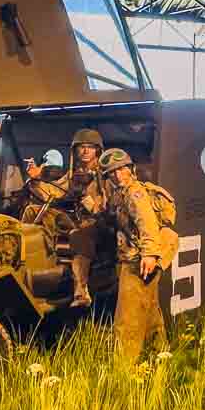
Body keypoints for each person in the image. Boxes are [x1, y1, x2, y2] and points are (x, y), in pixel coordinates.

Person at [98, 147, 169, 360]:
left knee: (127, 321)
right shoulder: (120, 195)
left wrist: (149, 254)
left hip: (138, 261)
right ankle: (161, 357)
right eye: (112, 173)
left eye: (122, 170)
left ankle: (123, 374)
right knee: (150, 314)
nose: (118, 175)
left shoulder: (134, 193)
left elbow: (146, 222)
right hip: (136, 259)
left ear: (131, 169)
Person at [27, 128, 106, 307]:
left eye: (90, 147)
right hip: (75, 220)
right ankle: (27, 259)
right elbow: (51, 193)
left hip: (98, 224)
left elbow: (106, 209)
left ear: (97, 151)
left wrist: (85, 198)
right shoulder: (73, 175)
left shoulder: (105, 175)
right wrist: (36, 179)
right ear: (75, 151)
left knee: (80, 235)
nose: (85, 151)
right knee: (33, 210)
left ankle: (81, 291)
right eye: (81, 147)